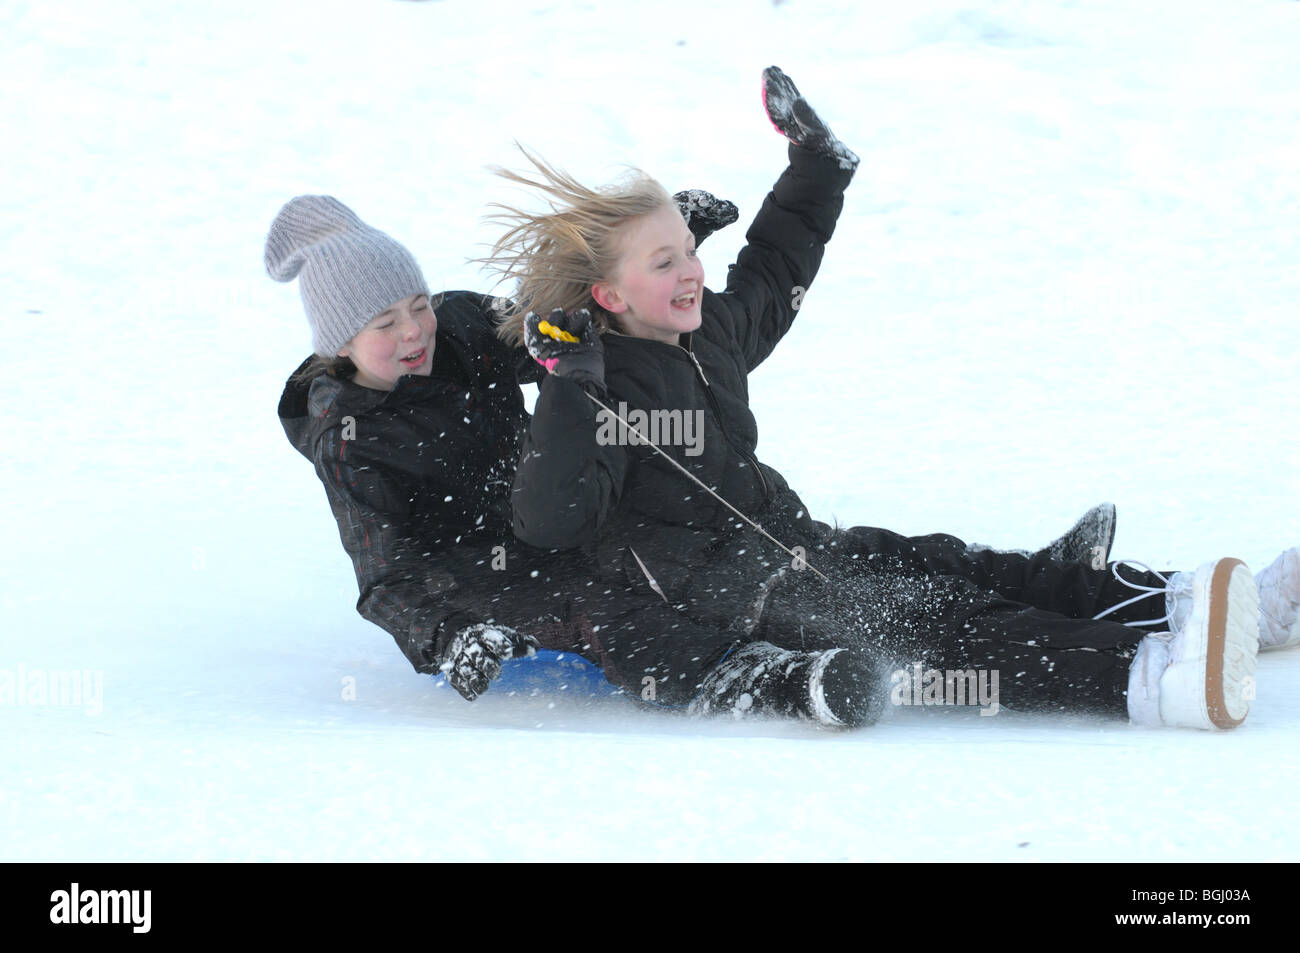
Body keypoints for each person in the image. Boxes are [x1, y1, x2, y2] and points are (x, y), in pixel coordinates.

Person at [486, 66, 1299, 731]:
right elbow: (553, 519)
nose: (690, 269)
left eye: (685, 249)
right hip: (743, 604)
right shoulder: (598, 386)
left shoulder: (708, 337)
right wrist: (568, 384)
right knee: (952, 629)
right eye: (662, 262)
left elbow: (772, 273)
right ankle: (1153, 678)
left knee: (961, 565)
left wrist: (817, 168)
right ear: (608, 295)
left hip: (795, 547)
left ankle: (1210, 605)